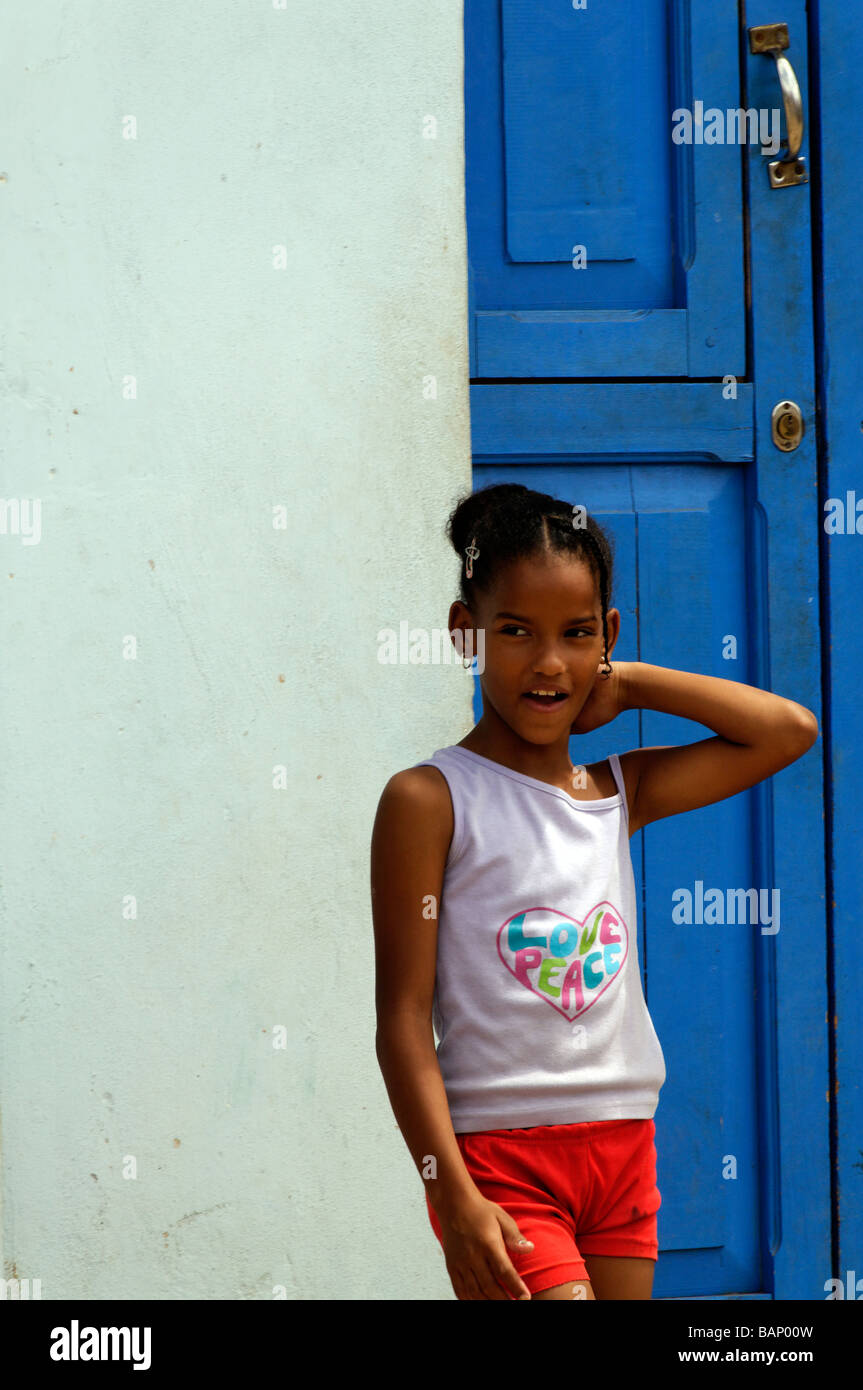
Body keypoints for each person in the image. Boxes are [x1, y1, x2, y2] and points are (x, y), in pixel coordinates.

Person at [370, 482, 818, 1301]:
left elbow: (786, 730)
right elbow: (400, 1021)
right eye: (513, 632)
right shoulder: (428, 800)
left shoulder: (616, 790)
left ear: (606, 637)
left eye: (576, 635)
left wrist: (634, 682)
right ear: (463, 633)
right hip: (499, 1160)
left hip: (621, 1151)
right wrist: (448, 1189)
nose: (548, 663)